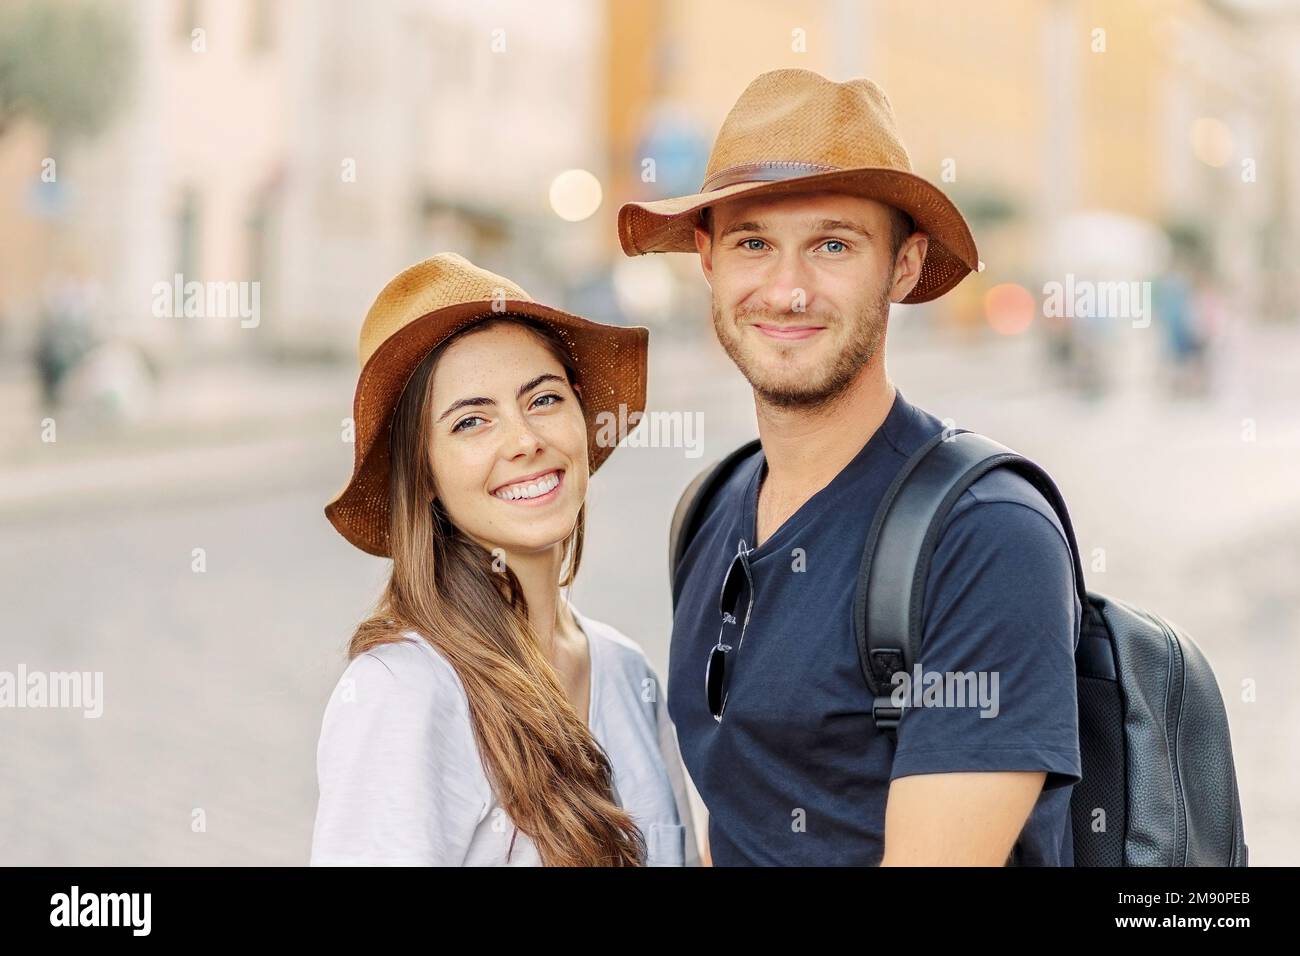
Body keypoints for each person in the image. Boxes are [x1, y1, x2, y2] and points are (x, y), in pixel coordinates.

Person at [619, 69, 1082, 866]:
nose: (787, 289)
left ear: (903, 268)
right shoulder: (707, 509)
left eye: (833, 245)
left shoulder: (986, 537)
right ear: (707, 261)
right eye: (753, 243)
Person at [312, 252, 699, 866]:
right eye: (470, 421)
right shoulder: (405, 692)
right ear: (425, 473)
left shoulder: (629, 674)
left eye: (543, 400)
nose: (524, 441)